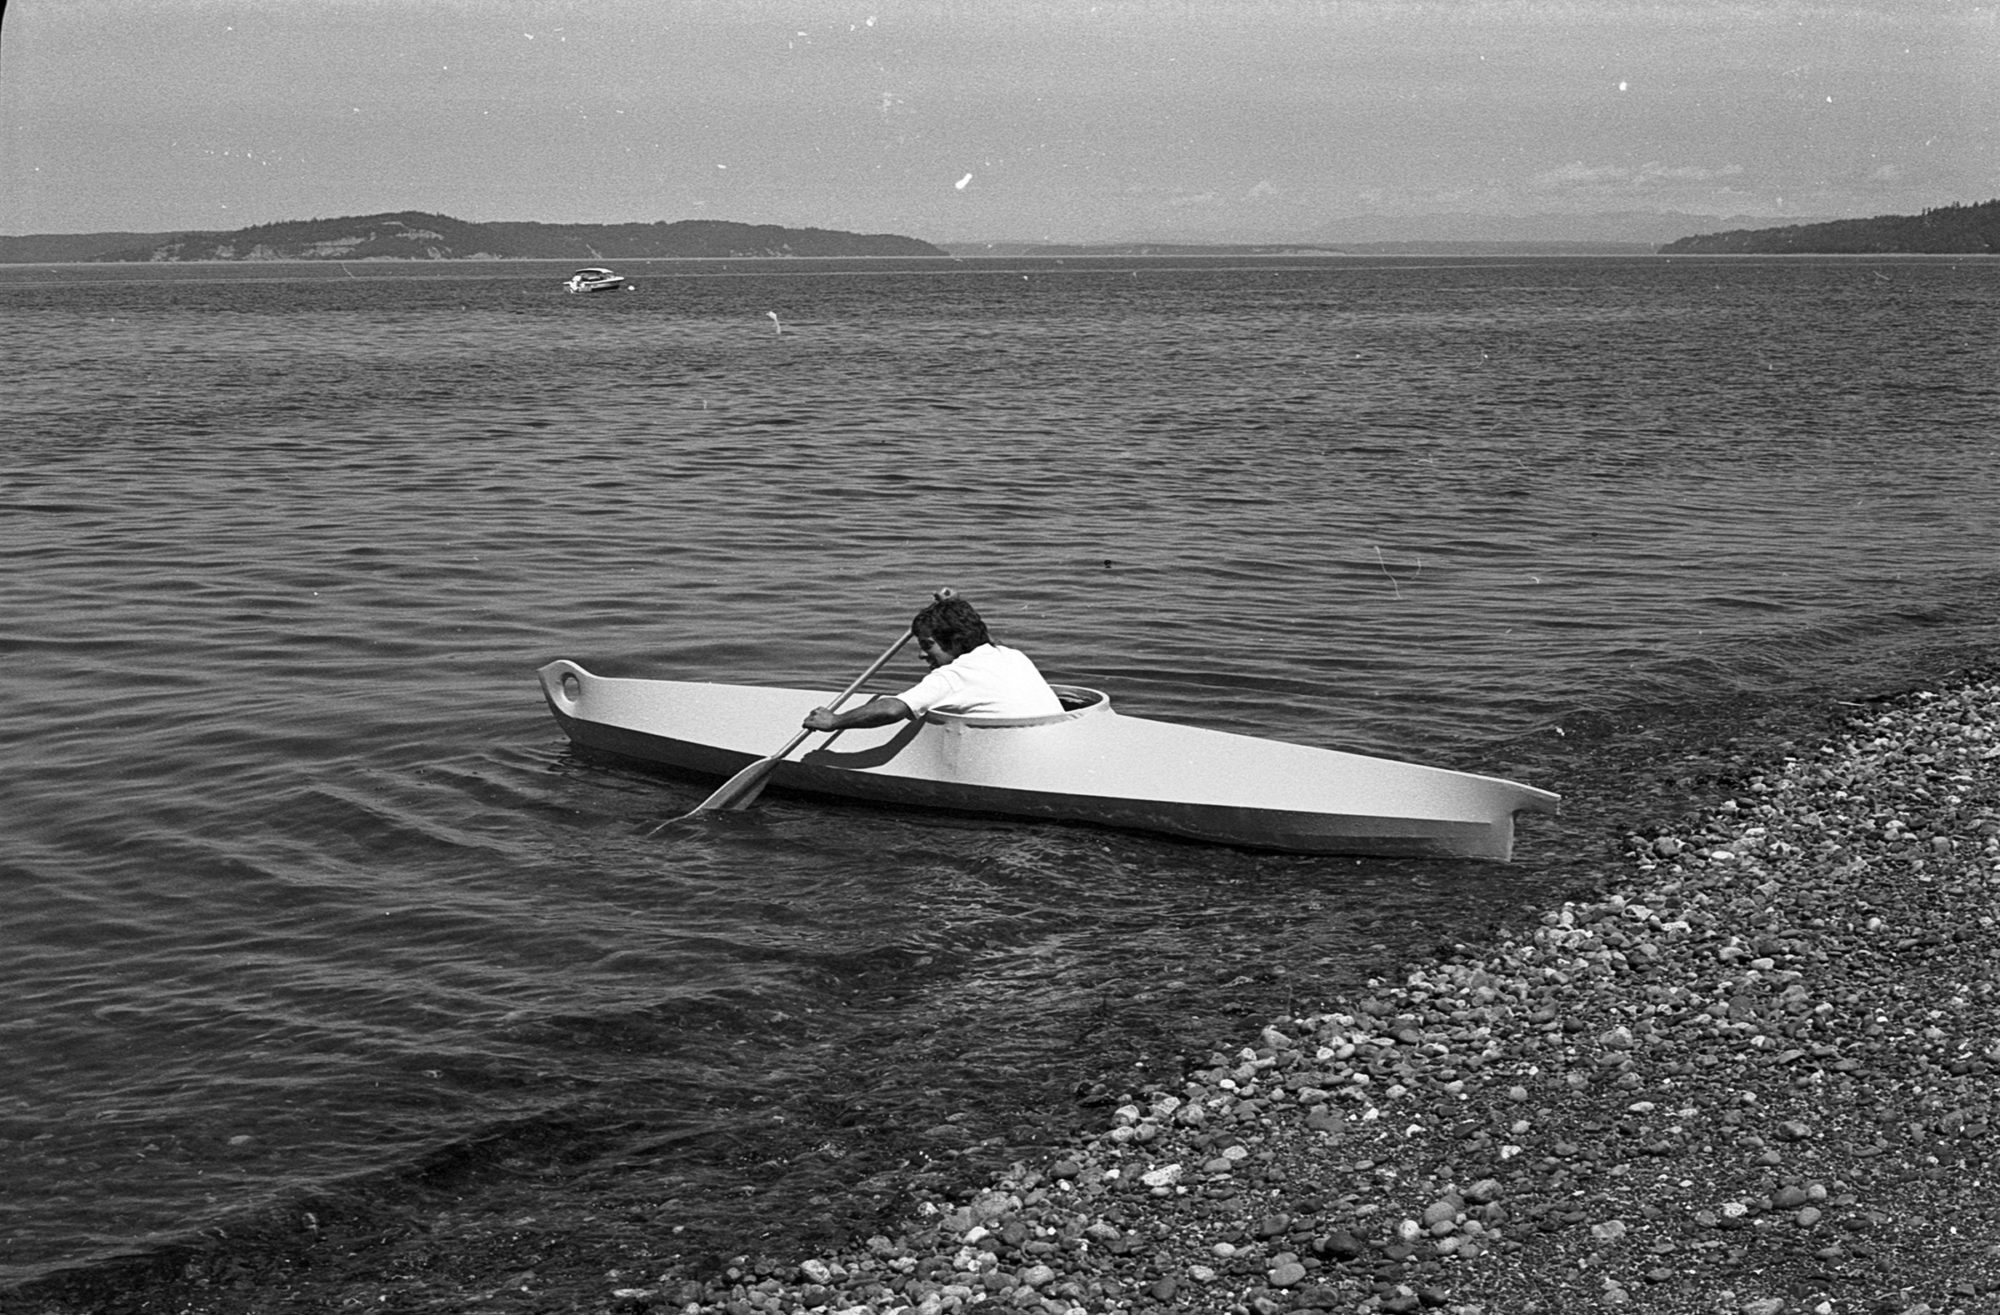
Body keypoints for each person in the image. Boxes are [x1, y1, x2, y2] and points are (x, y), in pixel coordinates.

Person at [802, 594, 1063, 731]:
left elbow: (892, 709)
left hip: (1013, 756)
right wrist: (952, 605)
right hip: (1048, 741)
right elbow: (980, 636)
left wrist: (834, 721)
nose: (921, 655)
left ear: (956, 642)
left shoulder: (952, 677)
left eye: (927, 645)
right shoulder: (1010, 655)